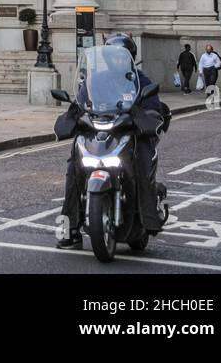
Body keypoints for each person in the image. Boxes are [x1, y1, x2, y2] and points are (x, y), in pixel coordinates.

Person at [56, 33, 168, 249]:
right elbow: (81, 102)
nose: (116, 61)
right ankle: (70, 228)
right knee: (73, 167)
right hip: (100, 131)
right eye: (113, 57)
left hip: (129, 132)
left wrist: (151, 116)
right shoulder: (96, 79)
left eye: (121, 57)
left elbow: (153, 107)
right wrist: (74, 114)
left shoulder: (140, 81)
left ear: (130, 58)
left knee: (143, 161)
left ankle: (149, 217)